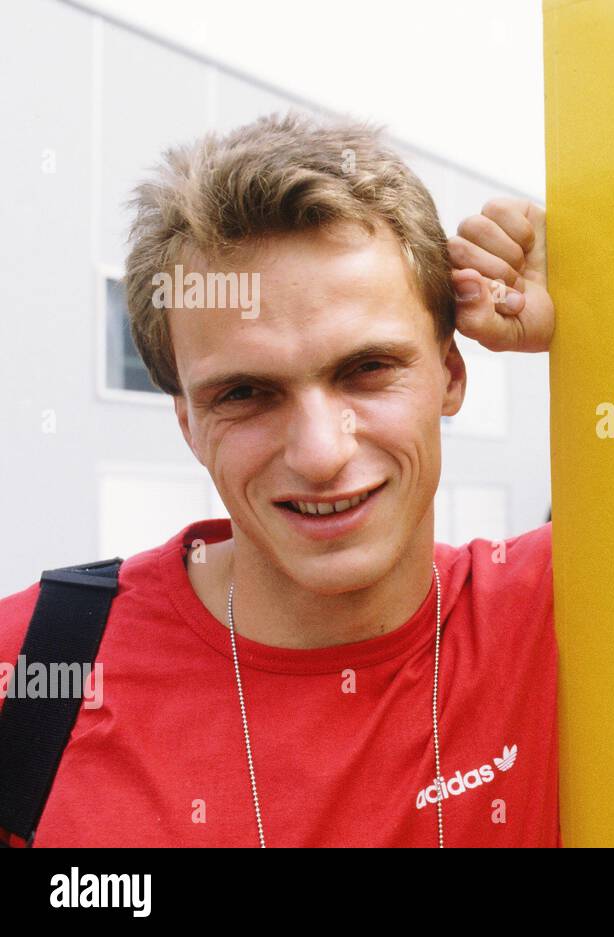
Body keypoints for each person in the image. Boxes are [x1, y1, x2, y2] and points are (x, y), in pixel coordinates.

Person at [0, 112, 558, 847]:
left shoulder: (566, 615)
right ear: (188, 423)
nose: (322, 452)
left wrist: (612, 308)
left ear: (451, 375)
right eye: (245, 393)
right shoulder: (37, 664)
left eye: (367, 370)